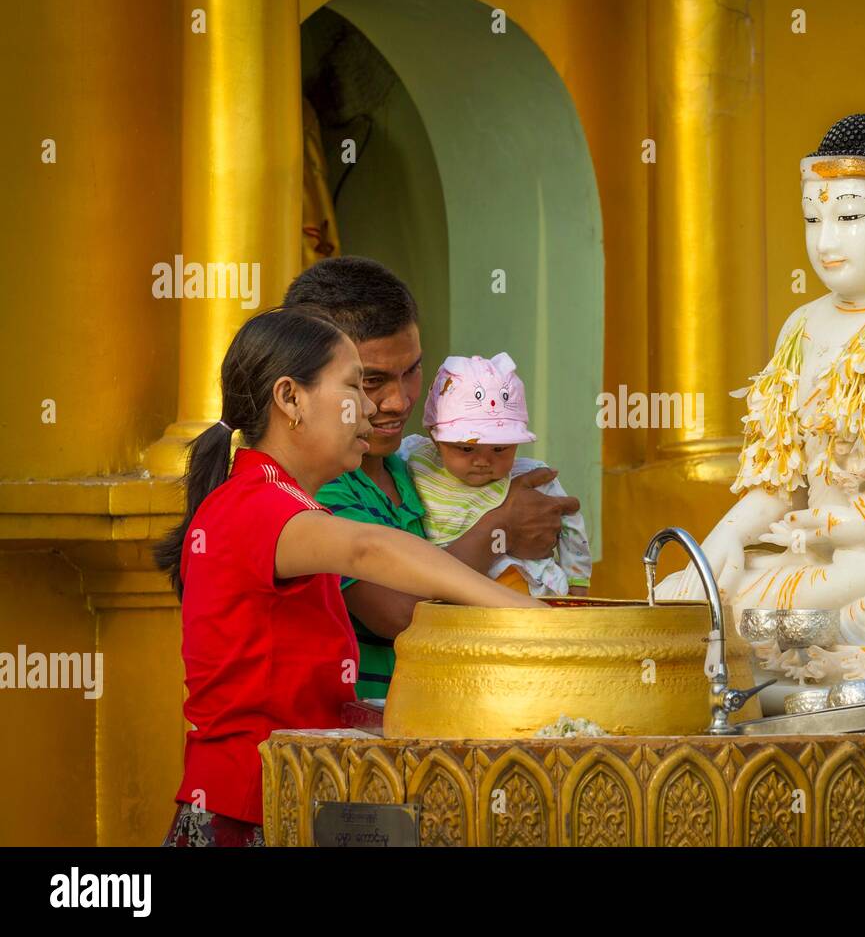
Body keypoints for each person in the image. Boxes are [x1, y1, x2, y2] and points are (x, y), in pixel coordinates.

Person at [156, 306, 543, 846]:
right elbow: (367, 548)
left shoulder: (283, 501)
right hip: (247, 806)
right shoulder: (253, 503)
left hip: (288, 791)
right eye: (354, 386)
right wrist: (529, 617)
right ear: (291, 399)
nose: (372, 409)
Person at [282, 257, 579, 698]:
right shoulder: (311, 486)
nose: (399, 401)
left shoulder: (416, 469)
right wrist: (501, 528)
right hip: (342, 732)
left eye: (412, 371)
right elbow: (402, 613)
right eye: (371, 380)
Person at [406, 351, 591, 597]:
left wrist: (578, 582)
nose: (483, 460)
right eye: (466, 448)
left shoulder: (531, 477)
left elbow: (570, 522)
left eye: (500, 448)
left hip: (525, 589)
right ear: (435, 438)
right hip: (447, 598)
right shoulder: (414, 460)